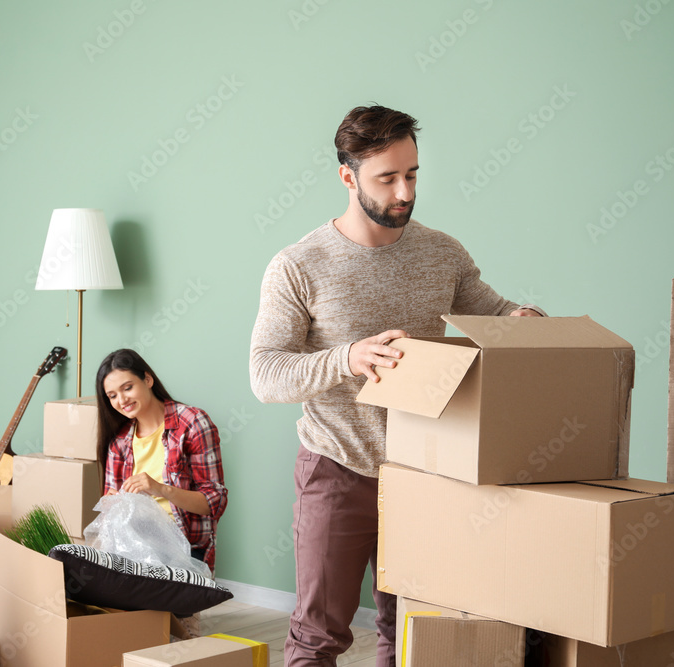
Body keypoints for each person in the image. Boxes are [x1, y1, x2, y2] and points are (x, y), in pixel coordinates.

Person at [249, 105, 545, 667]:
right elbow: (266, 374)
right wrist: (348, 357)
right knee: (318, 637)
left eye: (412, 174)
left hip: (424, 473)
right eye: (387, 178)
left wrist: (523, 318)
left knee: (407, 628)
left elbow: (496, 312)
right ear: (347, 176)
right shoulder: (299, 264)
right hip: (337, 467)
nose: (404, 191)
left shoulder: (442, 253)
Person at [95, 348, 228, 573]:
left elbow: (214, 503)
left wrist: (159, 489)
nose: (122, 400)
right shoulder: (119, 443)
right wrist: (112, 504)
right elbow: (111, 510)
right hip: (135, 545)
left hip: (184, 549)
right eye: (113, 395)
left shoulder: (192, 423)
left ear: (147, 379)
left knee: (148, 602)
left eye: (127, 388)